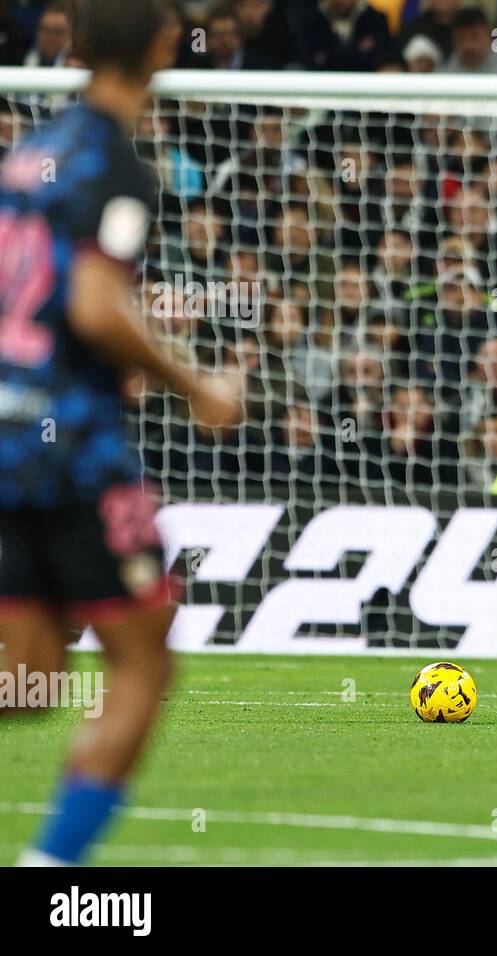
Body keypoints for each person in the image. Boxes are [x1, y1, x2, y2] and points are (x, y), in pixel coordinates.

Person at [0, 0, 243, 866]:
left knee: (29, 681)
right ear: (159, 44)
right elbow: (95, 307)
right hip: (73, 450)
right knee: (143, 663)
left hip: (6, 433)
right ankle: (52, 871)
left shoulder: (30, 154)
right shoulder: (113, 163)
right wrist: (196, 385)